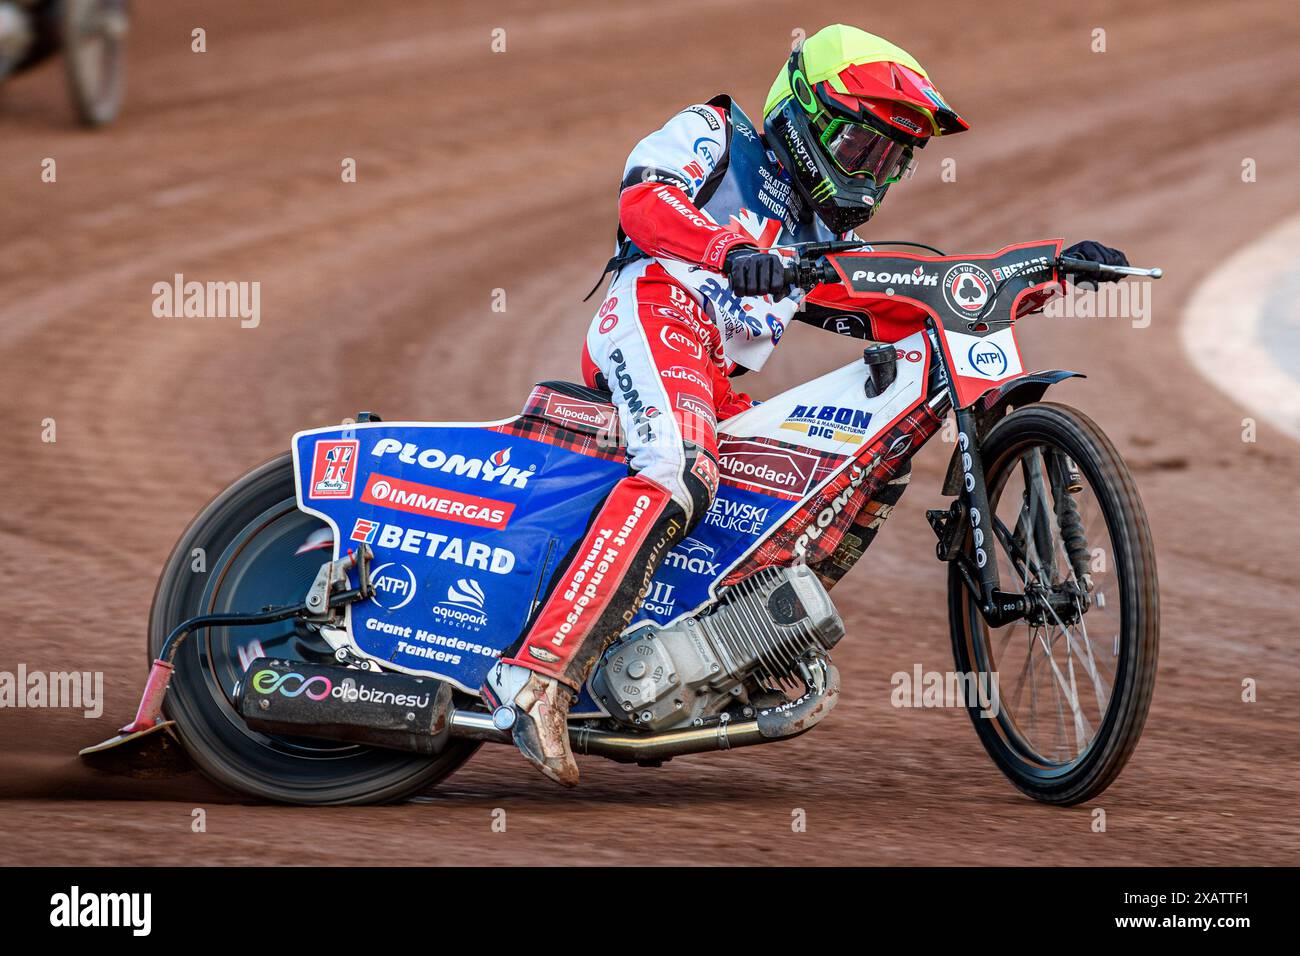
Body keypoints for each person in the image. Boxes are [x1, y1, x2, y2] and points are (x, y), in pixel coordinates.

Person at [481, 24, 1128, 787]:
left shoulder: (819, 241)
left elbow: (924, 297)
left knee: (832, 479)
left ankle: (723, 649)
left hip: (712, 374)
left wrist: (1049, 268)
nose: (871, 174)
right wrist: (729, 252)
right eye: (861, 149)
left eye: (891, 159)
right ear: (801, 116)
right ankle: (536, 677)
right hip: (655, 313)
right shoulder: (717, 132)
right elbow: (642, 201)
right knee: (680, 468)